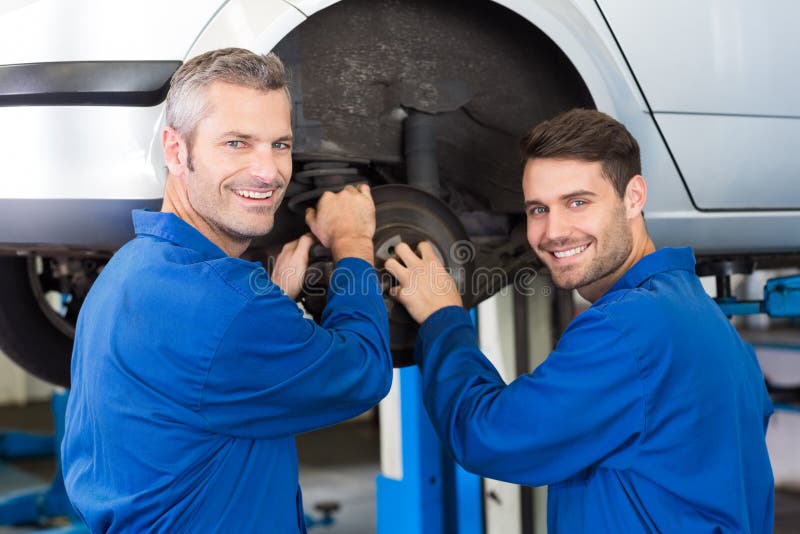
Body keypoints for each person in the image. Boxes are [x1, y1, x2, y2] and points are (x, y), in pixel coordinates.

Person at [385, 108, 774, 532]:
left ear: (634, 197)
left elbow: (488, 436)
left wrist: (442, 317)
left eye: (577, 202)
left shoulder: (626, 328)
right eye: (538, 209)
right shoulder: (704, 318)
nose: (553, 231)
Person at [62, 48, 392, 533]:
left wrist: (272, 306)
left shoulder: (127, 272)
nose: (269, 171)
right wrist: (353, 242)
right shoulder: (228, 310)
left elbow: (210, 375)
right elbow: (363, 373)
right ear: (176, 150)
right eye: (237, 143)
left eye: (280, 144)